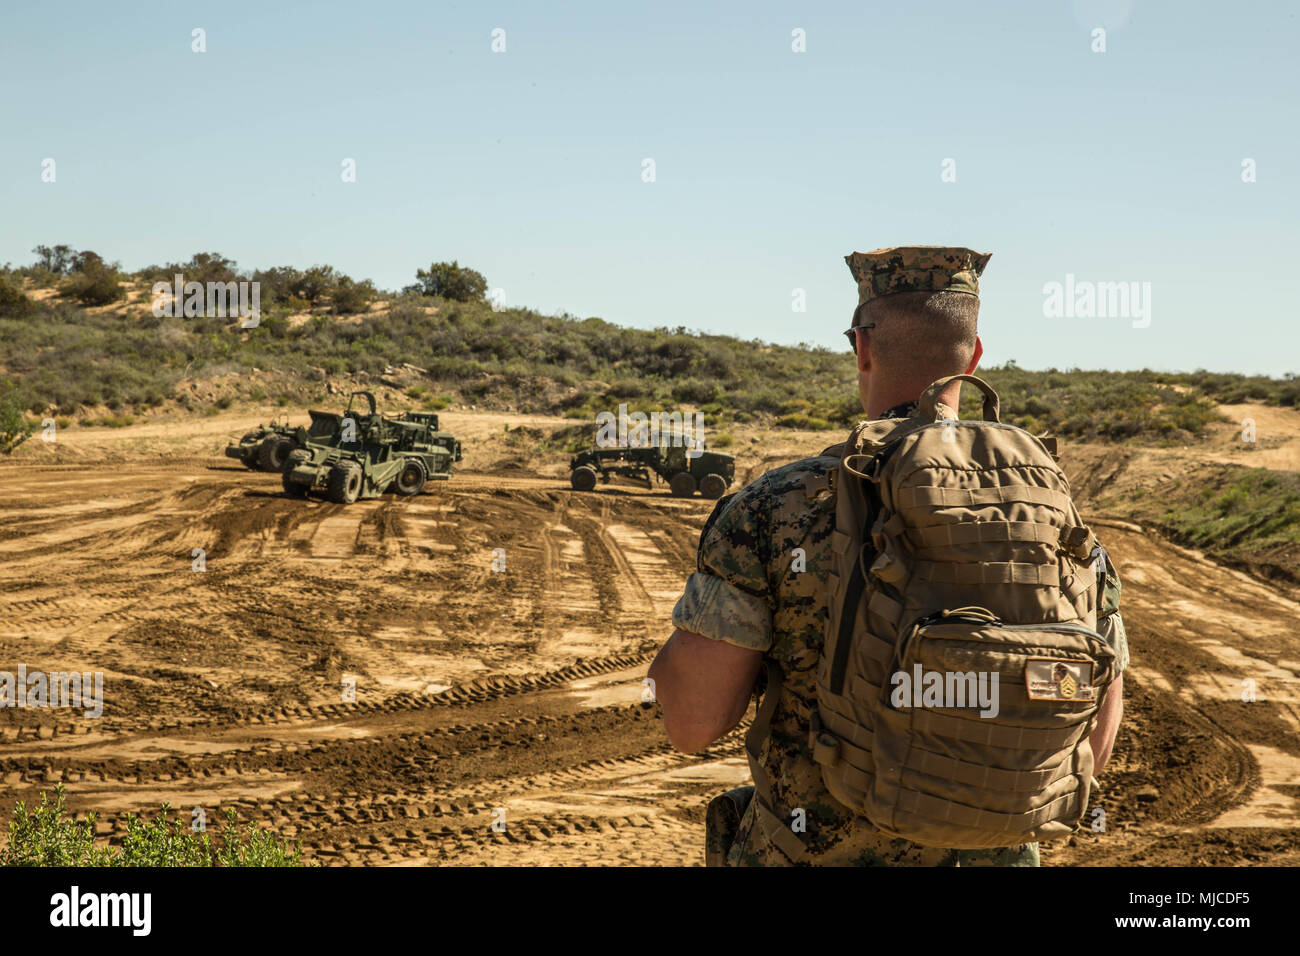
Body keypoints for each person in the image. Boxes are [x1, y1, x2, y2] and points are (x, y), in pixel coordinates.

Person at [648, 246, 1128, 866]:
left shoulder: (776, 507)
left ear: (863, 347)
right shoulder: (1055, 517)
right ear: (975, 356)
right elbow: (1093, 732)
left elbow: (692, 723)